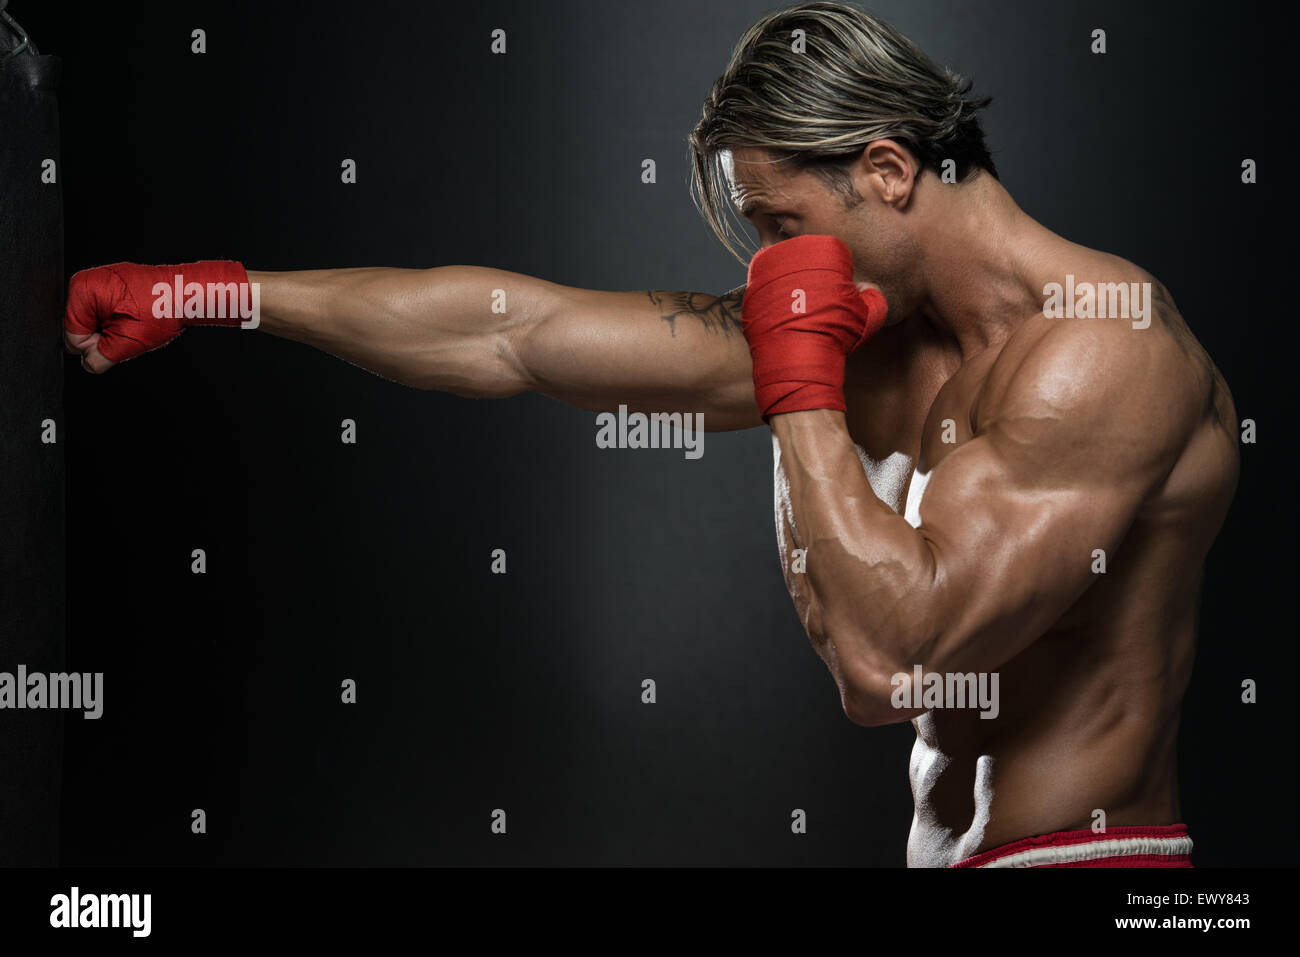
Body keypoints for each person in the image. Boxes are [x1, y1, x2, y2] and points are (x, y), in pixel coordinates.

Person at [63, 2, 1236, 867]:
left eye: (781, 223)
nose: (768, 265)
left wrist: (798, 383)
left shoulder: (1100, 352)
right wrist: (211, 292)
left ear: (886, 170)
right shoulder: (870, 332)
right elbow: (516, 332)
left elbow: (890, 667)